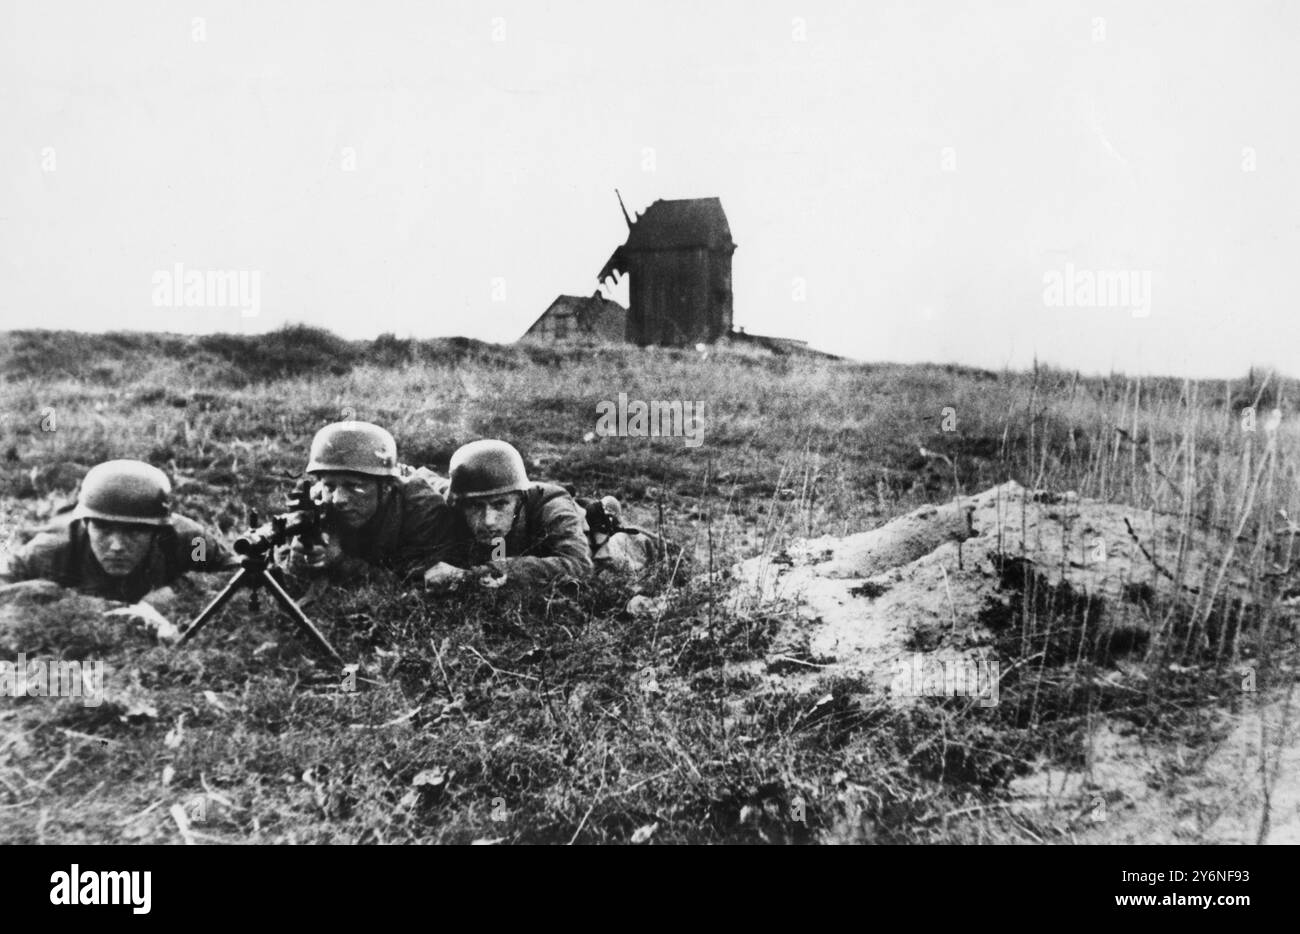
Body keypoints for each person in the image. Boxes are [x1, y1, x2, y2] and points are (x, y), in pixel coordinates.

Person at [0, 460, 235, 640]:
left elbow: (238, 573)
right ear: (86, 524)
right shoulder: (53, 551)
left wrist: (173, 594)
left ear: (157, 532)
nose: (117, 546)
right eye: (103, 529)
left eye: (134, 532)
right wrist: (66, 601)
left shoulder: (190, 543)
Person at [276, 421, 457, 584]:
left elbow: (412, 582)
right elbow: (275, 550)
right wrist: (297, 558)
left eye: (354, 487)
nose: (338, 500)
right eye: (330, 486)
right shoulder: (319, 502)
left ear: (386, 487)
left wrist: (340, 562)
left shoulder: (424, 510)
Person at [422, 440, 593, 592]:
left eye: (500, 504)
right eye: (476, 506)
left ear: (520, 500)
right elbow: (428, 481)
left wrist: (476, 575)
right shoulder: (457, 496)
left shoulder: (551, 504)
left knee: (609, 554)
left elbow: (579, 565)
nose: (489, 521)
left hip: (587, 529)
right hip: (501, 549)